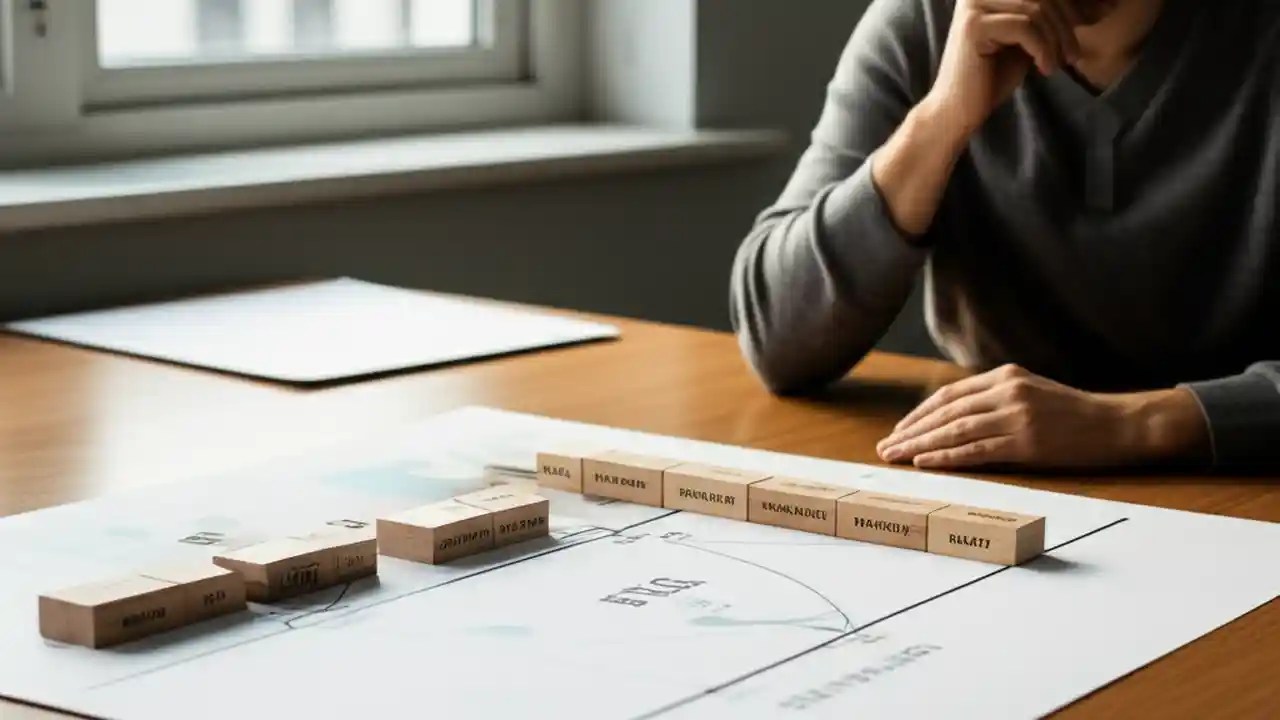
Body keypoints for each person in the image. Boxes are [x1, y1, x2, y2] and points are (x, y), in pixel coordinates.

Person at [729, 0, 1280, 471]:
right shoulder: (930, 21)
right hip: (1002, 480)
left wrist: (1130, 426)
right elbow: (779, 338)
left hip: (1247, 488)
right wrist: (941, 118)